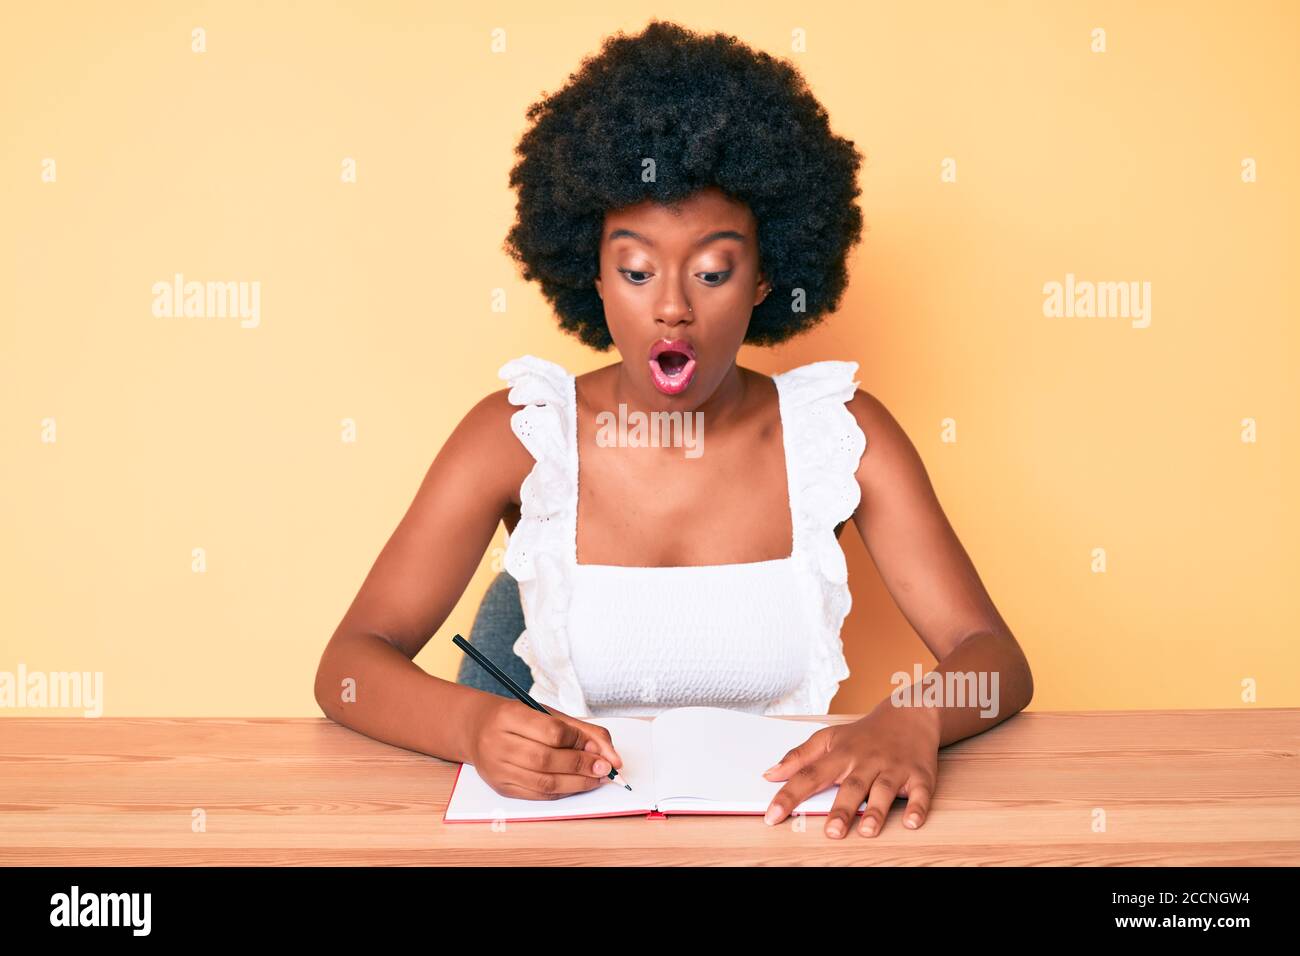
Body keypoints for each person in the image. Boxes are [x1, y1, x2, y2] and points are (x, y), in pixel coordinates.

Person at [314, 19, 1033, 840]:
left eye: (714, 271)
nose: (672, 307)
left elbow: (992, 656)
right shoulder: (519, 434)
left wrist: (913, 719)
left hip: (780, 841)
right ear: (590, 271)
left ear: (766, 277)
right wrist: (470, 727)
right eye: (636, 269)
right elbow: (348, 667)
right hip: (561, 844)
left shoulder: (838, 435)